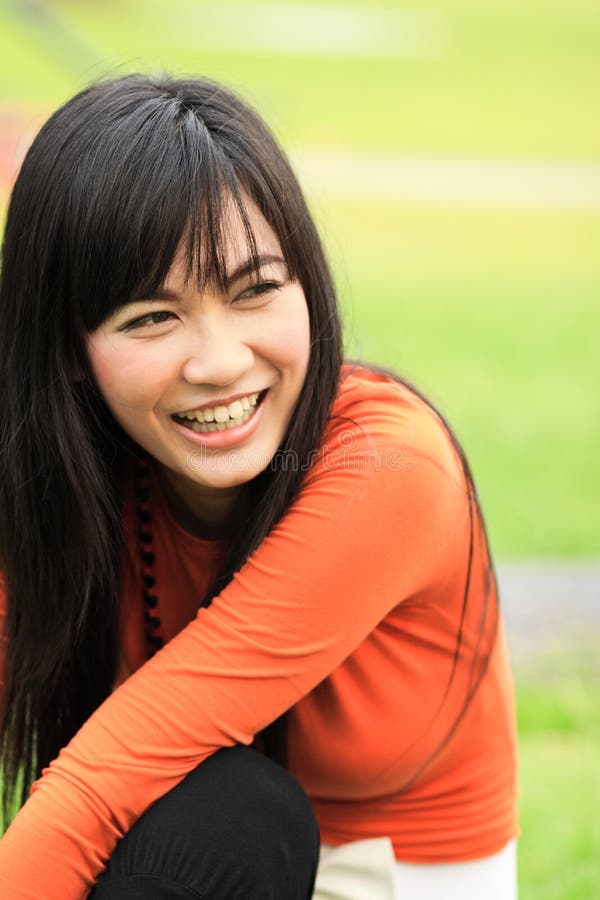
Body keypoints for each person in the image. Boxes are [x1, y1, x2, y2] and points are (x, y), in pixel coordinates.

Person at [0, 73, 518, 899]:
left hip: (386, 875)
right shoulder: (53, 479)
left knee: (234, 807)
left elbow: (107, 779)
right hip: (172, 863)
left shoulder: (389, 467)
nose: (221, 363)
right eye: (151, 318)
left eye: (255, 292)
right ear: (69, 348)